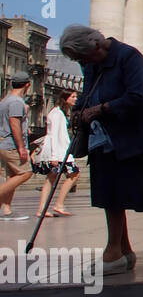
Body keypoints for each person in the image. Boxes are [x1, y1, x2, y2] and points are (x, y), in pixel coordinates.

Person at [60, 25, 143, 274]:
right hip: (103, 137)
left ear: (96, 45)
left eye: (83, 58)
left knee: (115, 194)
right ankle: (123, 250)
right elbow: (87, 94)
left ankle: (113, 251)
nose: (84, 63)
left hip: (129, 136)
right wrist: (79, 112)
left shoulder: (129, 57)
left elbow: (139, 96)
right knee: (109, 192)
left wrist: (101, 109)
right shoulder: (91, 63)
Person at [32, 88, 81, 217]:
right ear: (65, 98)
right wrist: (54, 156)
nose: (75, 99)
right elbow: (53, 135)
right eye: (73, 97)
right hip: (59, 153)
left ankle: (42, 208)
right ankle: (58, 204)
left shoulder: (59, 113)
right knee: (74, 174)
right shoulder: (57, 114)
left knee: (51, 178)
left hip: (60, 152)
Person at [0, 71, 34, 219]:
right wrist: (21, 147)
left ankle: (6, 210)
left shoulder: (5, 100)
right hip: (11, 144)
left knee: (12, 176)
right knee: (26, 173)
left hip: (4, 142)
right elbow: (14, 124)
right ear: (27, 85)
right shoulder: (16, 102)